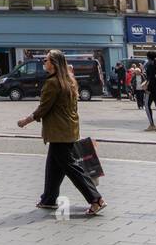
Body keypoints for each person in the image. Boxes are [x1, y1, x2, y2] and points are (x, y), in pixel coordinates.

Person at [18, 49, 106, 216]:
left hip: (60, 132)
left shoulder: (53, 83)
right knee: (53, 165)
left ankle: (96, 199)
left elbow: (43, 108)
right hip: (68, 128)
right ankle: (49, 199)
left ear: (54, 64)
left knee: (71, 167)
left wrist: (26, 121)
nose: (44, 62)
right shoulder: (69, 80)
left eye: (46, 60)